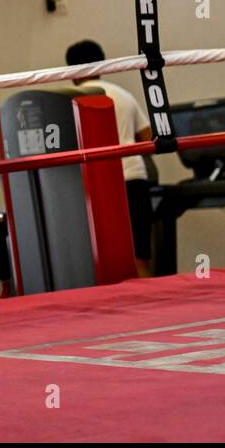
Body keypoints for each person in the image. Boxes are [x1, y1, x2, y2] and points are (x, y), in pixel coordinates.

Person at [66, 40, 155, 278]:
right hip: (134, 177)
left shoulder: (72, 101)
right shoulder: (124, 96)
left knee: (103, 259)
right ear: (102, 65)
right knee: (140, 257)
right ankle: (157, 312)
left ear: (72, 72)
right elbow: (148, 140)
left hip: (98, 184)